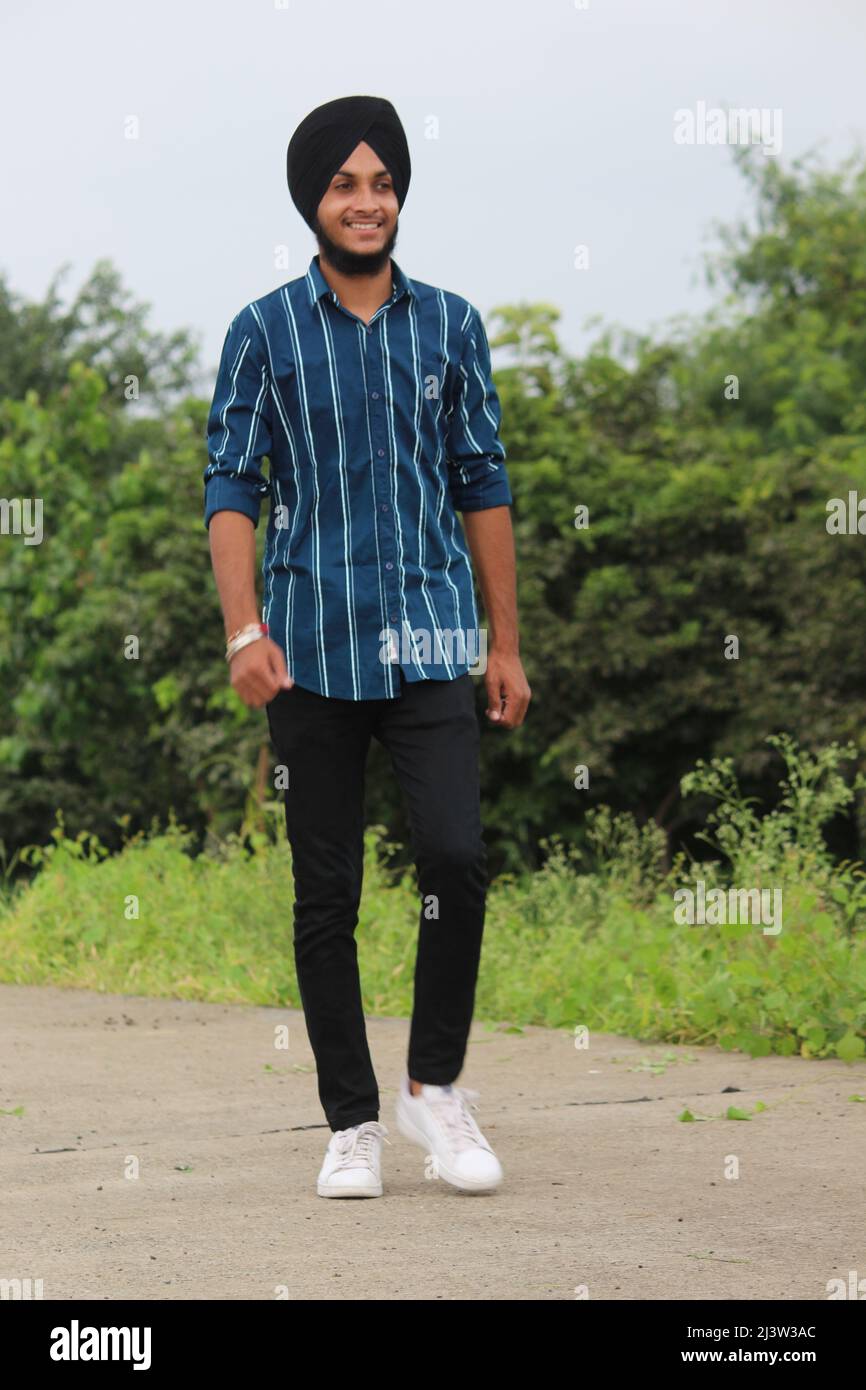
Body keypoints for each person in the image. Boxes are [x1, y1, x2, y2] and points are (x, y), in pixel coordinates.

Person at [204, 94, 531, 1198]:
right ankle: (350, 1121)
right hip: (308, 648)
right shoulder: (263, 332)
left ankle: (435, 1092)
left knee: (452, 855)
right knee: (326, 889)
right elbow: (231, 487)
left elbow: (481, 480)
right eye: (345, 183)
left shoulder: (451, 324)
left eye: (381, 181)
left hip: (435, 636)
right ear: (313, 199)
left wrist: (505, 641)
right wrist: (243, 627)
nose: (366, 200)